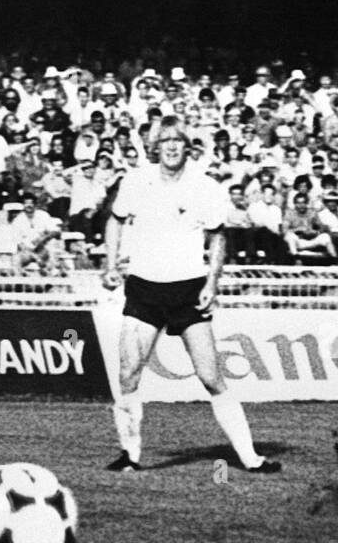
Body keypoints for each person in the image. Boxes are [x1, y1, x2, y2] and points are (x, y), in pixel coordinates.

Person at [104, 116, 280, 474]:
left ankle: (250, 457)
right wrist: (109, 263)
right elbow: (115, 219)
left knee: (211, 376)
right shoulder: (137, 181)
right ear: (154, 147)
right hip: (144, 287)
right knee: (128, 374)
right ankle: (130, 455)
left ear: (188, 146)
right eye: (164, 140)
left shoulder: (206, 187)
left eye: (178, 140)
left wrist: (212, 283)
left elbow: (218, 237)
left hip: (188, 289)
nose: (171, 146)